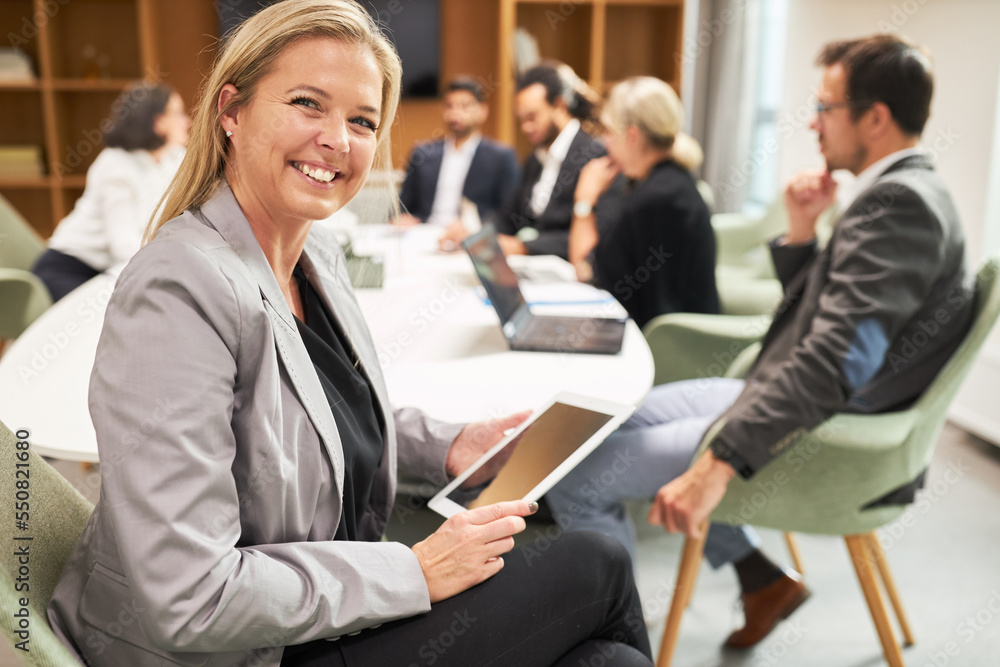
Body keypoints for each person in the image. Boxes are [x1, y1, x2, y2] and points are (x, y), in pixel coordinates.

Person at [46, 3, 652, 667]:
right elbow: (191, 595)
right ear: (231, 111)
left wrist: (450, 445)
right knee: (596, 561)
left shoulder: (319, 259)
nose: (338, 139)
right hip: (239, 648)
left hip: (315, 615)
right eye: (309, 103)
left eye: (362, 120)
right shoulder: (177, 291)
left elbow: (306, 416)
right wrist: (416, 571)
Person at [546, 33, 973, 649]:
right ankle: (761, 577)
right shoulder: (896, 193)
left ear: (874, 118)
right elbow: (836, 326)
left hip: (825, 429)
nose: (812, 121)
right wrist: (803, 237)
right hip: (786, 394)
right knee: (607, 426)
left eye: (825, 107)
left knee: (575, 477)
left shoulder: (899, 205)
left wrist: (718, 465)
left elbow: (836, 361)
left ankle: (617, 648)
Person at [568, 76, 719, 329]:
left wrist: (584, 199)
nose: (605, 142)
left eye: (609, 132)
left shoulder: (652, 201)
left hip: (663, 348)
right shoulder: (673, 182)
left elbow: (585, 270)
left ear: (633, 136)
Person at [439, 63, 620, 259]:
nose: (525, 127)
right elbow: (509, 216)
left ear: (559, 106)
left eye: (532, 117)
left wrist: (523, 247)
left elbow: (596, 233)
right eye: (522, 119)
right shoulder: (535, 159)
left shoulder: (595, 156)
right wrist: (474, 230)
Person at [31, 82, 189, 301]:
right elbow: (123, 246)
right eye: (179, 114)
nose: (187, 121)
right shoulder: (115, 166)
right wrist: (171, 259)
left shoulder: (172, 158)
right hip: (71, 268)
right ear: (158, 122)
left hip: (108, 270)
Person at [392, 77, 519, 227]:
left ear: (483, 111)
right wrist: (403, 218)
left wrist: (472, 227)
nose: (455, 113)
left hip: (470, 236)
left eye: (465, 106)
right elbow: (401, 205)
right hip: (424, 232)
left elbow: (507, 213)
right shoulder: (423, 153)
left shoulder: (501, 157)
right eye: (449, 106)